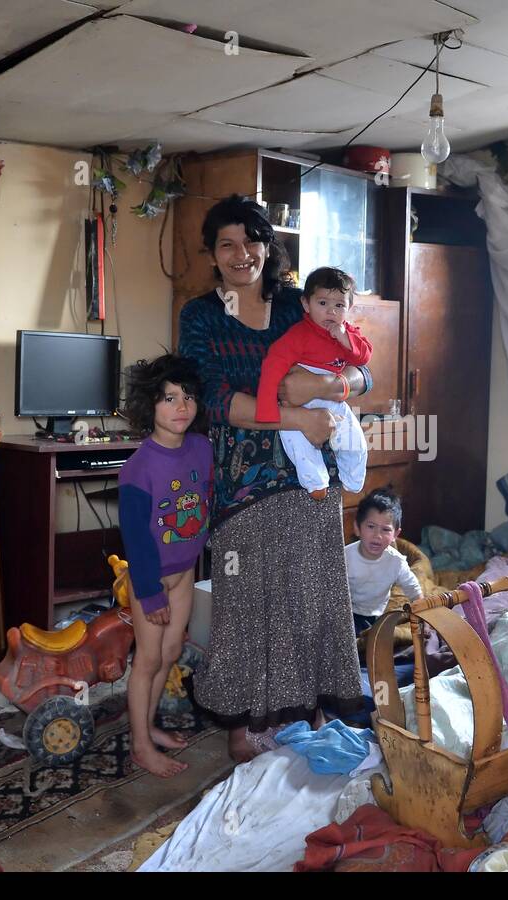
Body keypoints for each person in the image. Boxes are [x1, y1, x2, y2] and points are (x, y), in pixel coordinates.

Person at [176, 194, 370, 763]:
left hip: (313, 474)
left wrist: (332, 390)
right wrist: (298, 415)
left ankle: (308, 708)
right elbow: (213, 399)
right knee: (249, 598)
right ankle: (250, 718)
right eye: (227, 244)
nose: (242, 254)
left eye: (251, 241)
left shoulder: (299, 304)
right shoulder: (202, 315)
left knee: (312, 593)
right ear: (213, 255)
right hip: (242, 479)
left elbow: (363, 370)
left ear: (269, 246)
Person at [117, 353, 213, 777]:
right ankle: (140, 746)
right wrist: (150, 592)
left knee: (171, 651)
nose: (180, 407)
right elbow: (136, 540)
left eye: (187, 397)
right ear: (148, 407)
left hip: (185, 570)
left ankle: (148, 725)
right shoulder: (139, 468)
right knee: (149, 660)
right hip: (152, 578)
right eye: (169, 398)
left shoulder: (202, 448)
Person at [255, 266, 372, 499]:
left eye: (339, 305)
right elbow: (272, 366)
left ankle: (353, 480)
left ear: (349, 308)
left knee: (355, 441)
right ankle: (315, 481)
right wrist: (267, 407)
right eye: (323, 304)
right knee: (296, 441)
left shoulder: (346, 333)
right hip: (299, 404)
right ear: (306, 305)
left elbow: (363, 358)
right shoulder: (298, 334)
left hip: (334, 402)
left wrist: (343, 337)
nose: (331, 311)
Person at [345, 487, 423, 638]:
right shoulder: (345, 557)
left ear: (395, 534)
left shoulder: (396, 562)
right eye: (371, 526)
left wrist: (423, 618)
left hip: (377, 617)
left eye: (385, 530)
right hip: (346, 614)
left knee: (383, 638)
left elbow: (413, 589)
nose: (377, 535)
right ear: (357, 528)